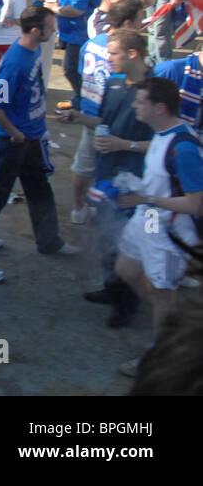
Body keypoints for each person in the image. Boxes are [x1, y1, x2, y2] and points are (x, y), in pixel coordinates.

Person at [0, 5, 79, 256]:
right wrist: (15, 133)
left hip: (31, 136)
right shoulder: (15, 63)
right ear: (36, 31)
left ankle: (49, 241)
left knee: (39, 189)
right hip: (14, 140)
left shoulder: (32, 50)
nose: (55, 33)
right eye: (51, 28)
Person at [62, 26, 151, 329]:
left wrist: (124, 145)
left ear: (132, 54)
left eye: (113, 53)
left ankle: (127, 305)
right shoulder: (113, 83)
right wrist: (79, 117)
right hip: (105, 175)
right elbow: (104, 122)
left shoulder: (155, 91)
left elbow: (167, 140)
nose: (108, 57)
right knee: (106, 236)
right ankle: (111, 289)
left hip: (133, 183)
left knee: (127, 245)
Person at [114, 78, 203, 379]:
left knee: (162, 293)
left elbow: (195, 205)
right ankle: (174, 325)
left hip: (169, 233)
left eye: (141, 102)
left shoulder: (185, 149)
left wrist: (145, 197)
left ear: (159, 108)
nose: (135, 106)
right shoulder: (163, 133)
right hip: (148, 219)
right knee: (126, 269)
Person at [53, 0, 105, 107]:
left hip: (80, 33)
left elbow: (76, 9)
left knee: (72, 70)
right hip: (75, 31)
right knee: (76, 69)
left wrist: (55, 8)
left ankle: (82, 102)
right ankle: (81, 100)